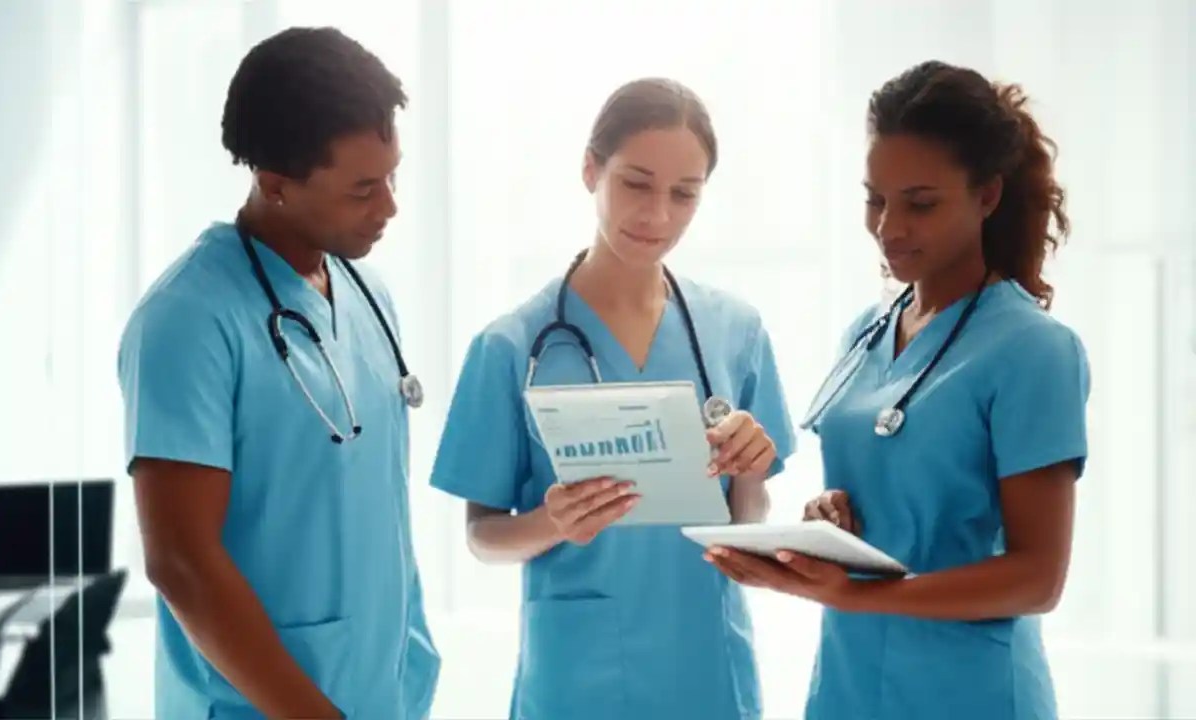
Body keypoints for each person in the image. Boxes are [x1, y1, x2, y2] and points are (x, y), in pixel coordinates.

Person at [706, 60, 1089, 720]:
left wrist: (855, 594)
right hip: (850, 684)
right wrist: (831, 521)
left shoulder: (1033, 350)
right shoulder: (866, 333)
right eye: (874, 199)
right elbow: (890, 494)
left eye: (920, 203)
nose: (888, 227)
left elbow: (1038, 578)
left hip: (969, 693)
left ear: (987, 196)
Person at [428, 78, 797, 720]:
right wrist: (552, 522)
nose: (657, 215)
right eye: (635, 183)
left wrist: (752, 469)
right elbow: (483, 538)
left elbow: (747, 525)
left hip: (705, 665)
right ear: (590, 169)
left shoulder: (735, 331)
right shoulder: (512, 345)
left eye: (684, 195)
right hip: (578, 676)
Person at [117, 27, 439, 720]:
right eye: (362, 189)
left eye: (392, 175)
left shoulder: (367, 295)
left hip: (382, 693)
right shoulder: (188, 320)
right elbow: (180, 561)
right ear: (275, 183)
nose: (388, 206)